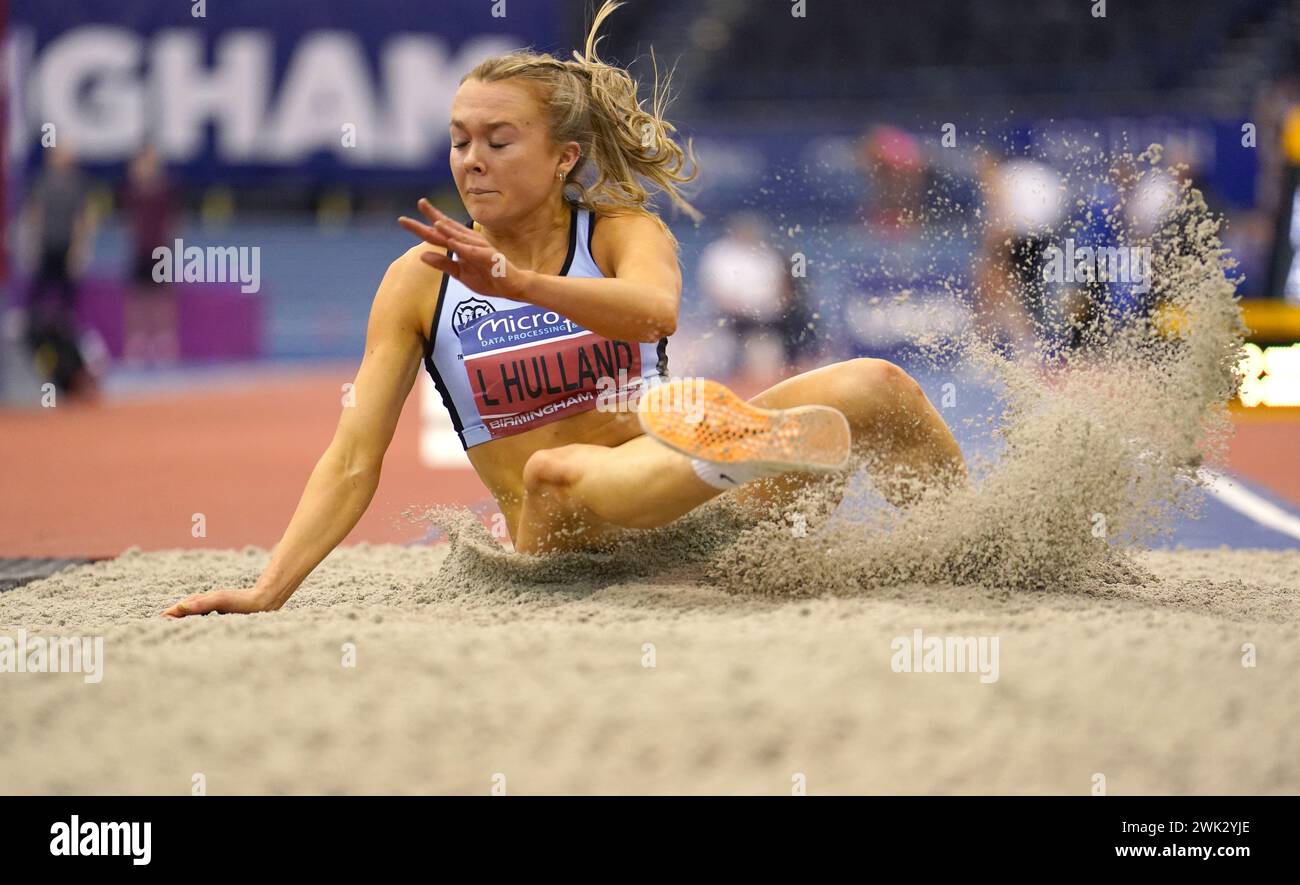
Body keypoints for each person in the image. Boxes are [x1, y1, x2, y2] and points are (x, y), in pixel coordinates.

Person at [162, 0, 966, 619]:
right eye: (458, 139)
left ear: (563, 158)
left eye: (498, 141)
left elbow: (653, 314)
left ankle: (974, 550)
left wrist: (519, 282)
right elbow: (351, 460)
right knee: (552, 468)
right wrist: (270, 587)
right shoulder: (419, 279)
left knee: (878, 383)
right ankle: (730, 449)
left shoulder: (622, 230)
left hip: (687, 517)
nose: (471, 160)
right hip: (565, 550)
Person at [121, 144, 179, 367]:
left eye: (149, 164)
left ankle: (164, 340)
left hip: (160, 249)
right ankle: (137, 340)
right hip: (139, 250)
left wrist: (170, 246)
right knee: (137, 296)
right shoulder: (132, 191)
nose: (145, 168)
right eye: (142, 164)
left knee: (161, 297)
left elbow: (173, 221)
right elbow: (129, 222)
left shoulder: (164, 190)